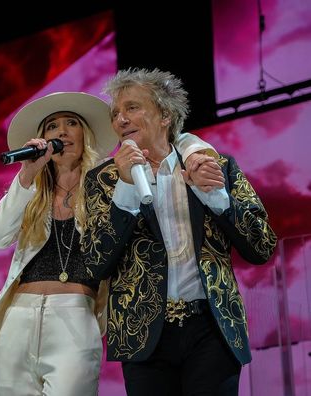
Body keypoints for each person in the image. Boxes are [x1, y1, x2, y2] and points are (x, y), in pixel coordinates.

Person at [0, 91, 219, 396]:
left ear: (85, 133)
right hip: (18, 319)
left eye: (71, 123)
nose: (61, 132)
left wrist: (196, 147)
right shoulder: (31, 190)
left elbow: (171, 142)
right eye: (52, 127)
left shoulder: (111, 177)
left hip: (75, 317)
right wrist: (27, 174)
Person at [82, 68, 278, 396]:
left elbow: (262, 245)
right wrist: (127, 189)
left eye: (132, 107)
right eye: (115, 113)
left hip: (212, 328)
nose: (121, 119)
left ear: (166, 115)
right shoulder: (103, 179)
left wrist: (217, 197)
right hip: (143, 334)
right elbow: (93, 263)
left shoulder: (217, 166)